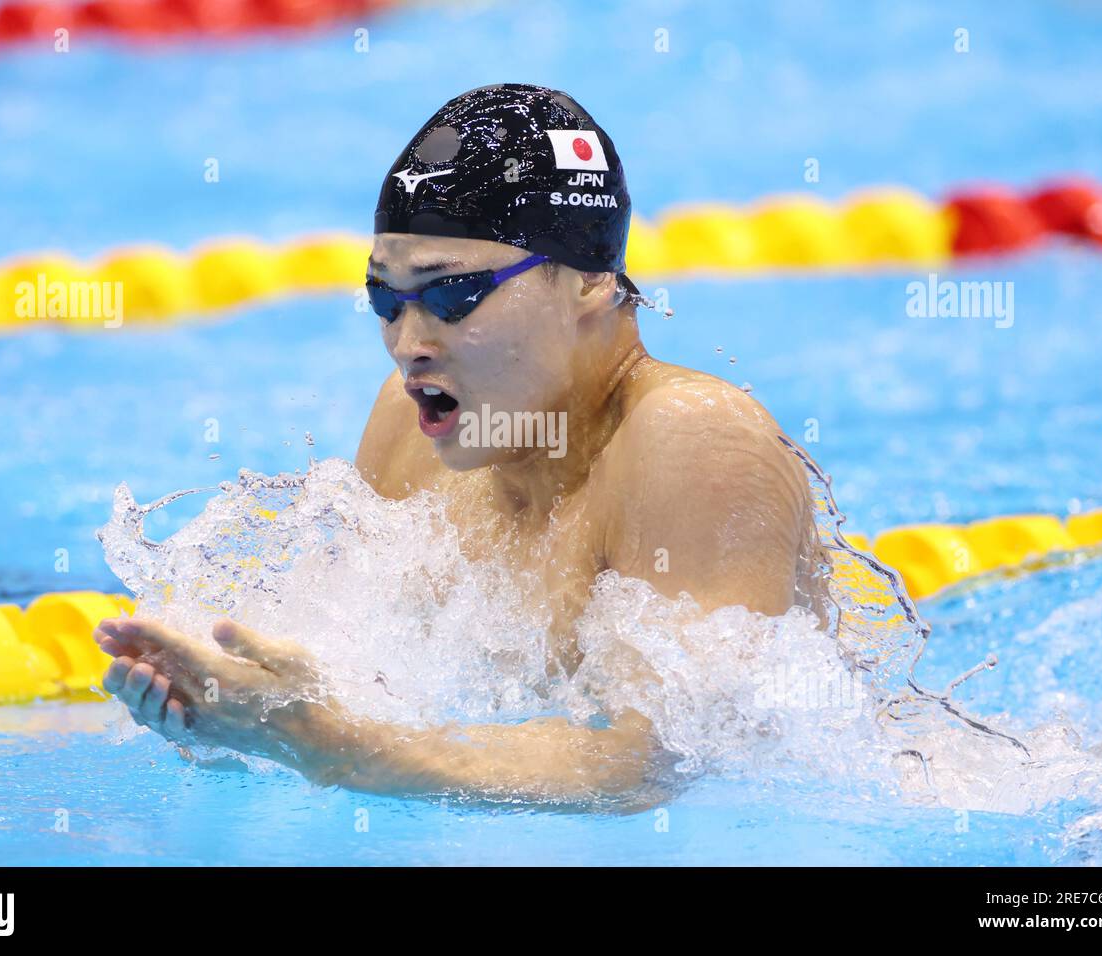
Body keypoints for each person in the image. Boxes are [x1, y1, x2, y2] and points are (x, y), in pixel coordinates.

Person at [96, 83, 823, 809]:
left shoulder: (691, 439)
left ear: (589, 282)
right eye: (386, 299)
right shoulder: (410, 432)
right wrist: (239, 723)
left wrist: (326, 747)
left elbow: (654, 765)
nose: (409, 346)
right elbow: (362, 696)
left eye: (452, 296)